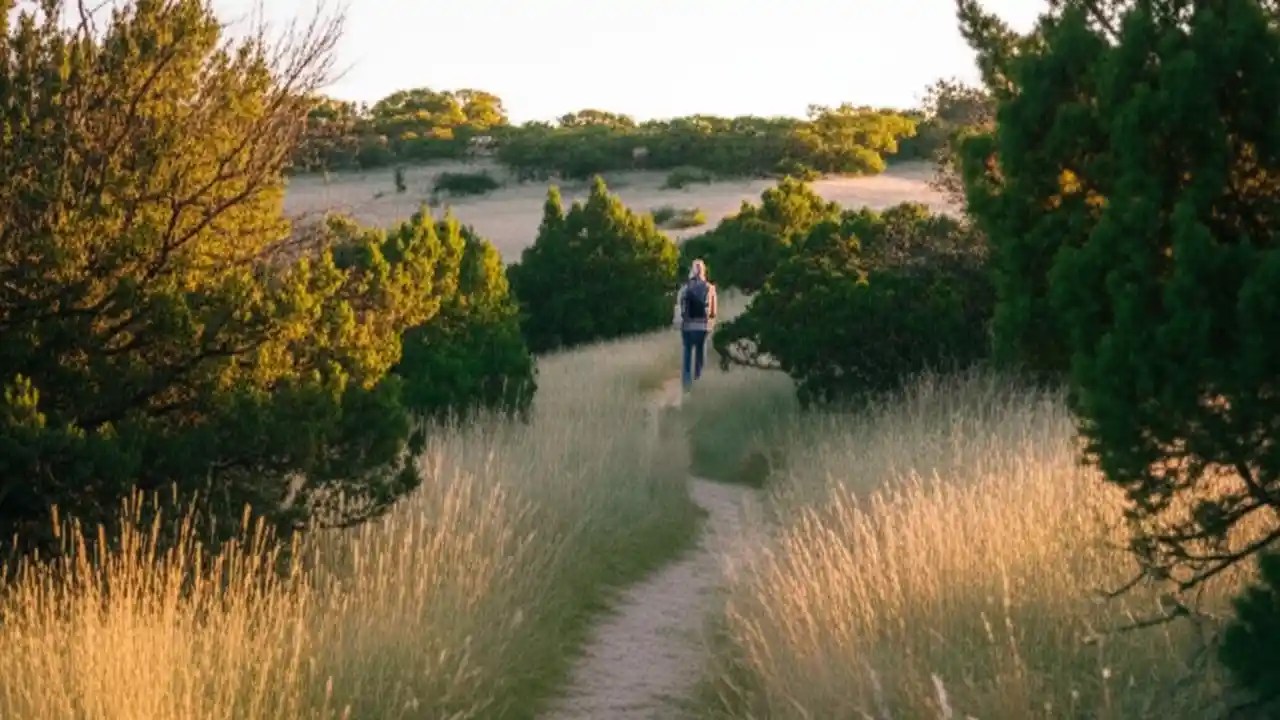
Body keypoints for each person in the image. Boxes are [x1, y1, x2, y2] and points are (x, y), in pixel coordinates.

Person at [674, 259, 718, 390]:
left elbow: (679, 306)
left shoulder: (685, 287)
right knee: (700, 353)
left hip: (687, 326)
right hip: (703, 326)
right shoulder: (710, 288)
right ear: (704, 271)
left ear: (691, 271)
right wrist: (710, 322)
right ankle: (699, 380)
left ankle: (686, 384)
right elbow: (713, 312)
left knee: (687, 353)